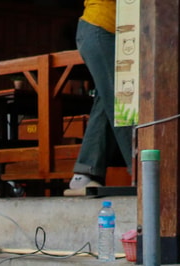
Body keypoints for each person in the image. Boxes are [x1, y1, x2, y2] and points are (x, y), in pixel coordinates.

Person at [65, 0, 132, 196]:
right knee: (121, 99)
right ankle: (140, 169)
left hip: (107, 31)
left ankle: (85, 173)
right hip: (100, 28)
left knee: (106, 101)